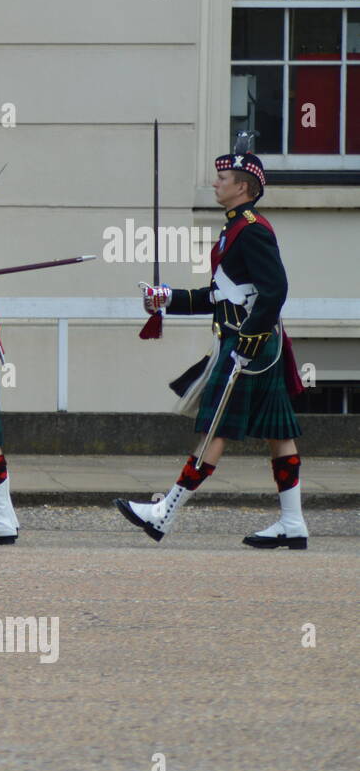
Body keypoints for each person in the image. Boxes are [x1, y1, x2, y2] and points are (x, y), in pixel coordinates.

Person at [119, 135, 306, 548]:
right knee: (279, 434)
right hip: (251, 344)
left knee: (215, 428)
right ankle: (293, 522)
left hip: (249, 346)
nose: (216, 183)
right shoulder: (234, 230)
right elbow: (220, 296)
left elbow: (274, 291)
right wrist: (168, 299)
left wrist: (249, 344)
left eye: (222, 177)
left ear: (243, 186)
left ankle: (165, 511)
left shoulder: (252, 231)